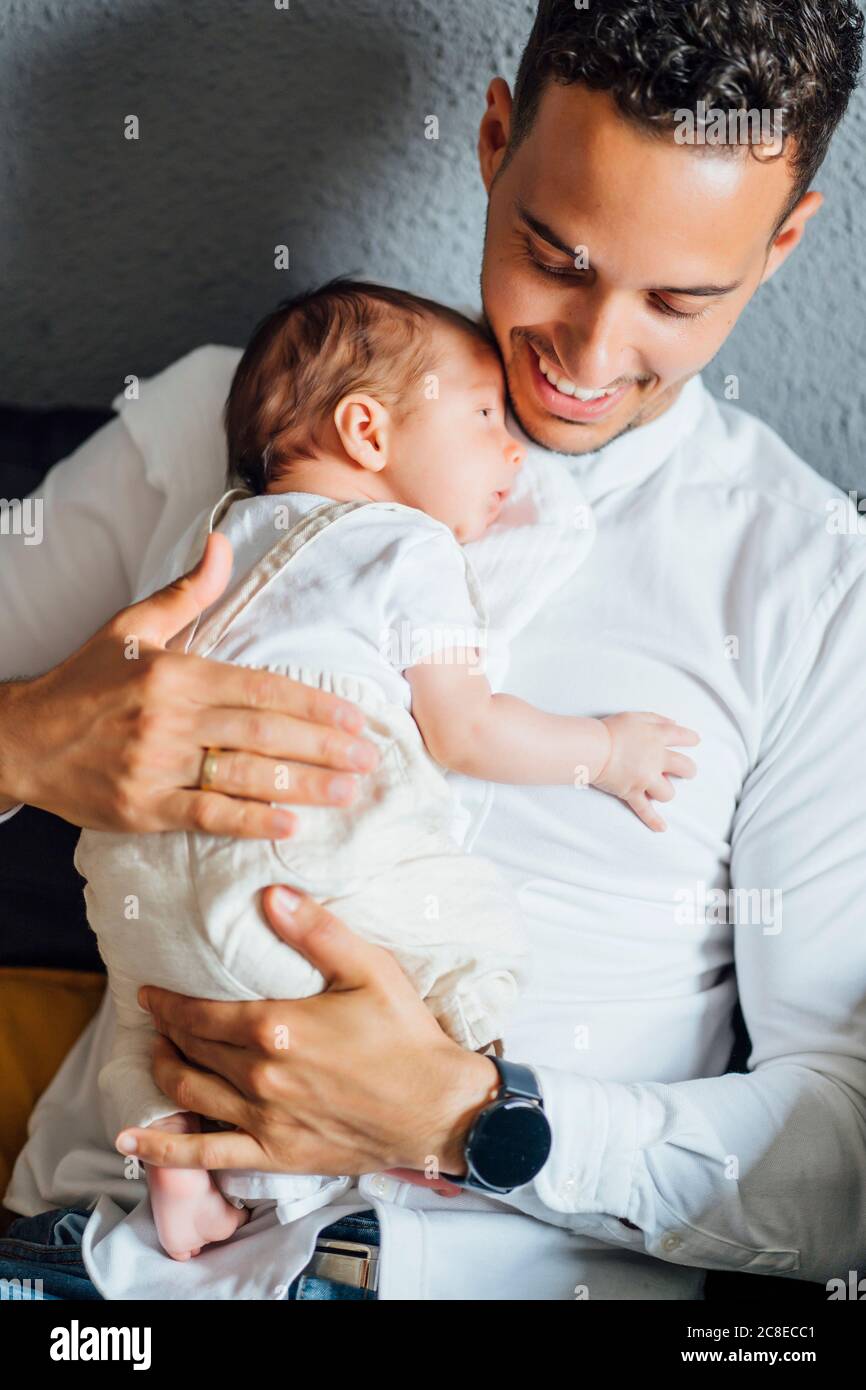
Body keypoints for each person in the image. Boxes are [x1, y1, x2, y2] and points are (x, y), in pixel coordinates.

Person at [1, 0, 865, 1300]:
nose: (584, 354)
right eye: (554, 258)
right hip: (104, 1273)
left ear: (782, 241)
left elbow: (841, 1164)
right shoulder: (212, 422)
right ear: (492, 139)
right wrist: (21, 740)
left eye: (678, 298)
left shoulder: (810, 582)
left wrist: (475, 1119)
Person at [77, 280, 697, 1266]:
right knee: (470, 940)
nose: (511, 452)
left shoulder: (216, 536)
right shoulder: (405, 544)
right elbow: (463, 728)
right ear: (367, 431)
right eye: (487, 416)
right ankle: (432, 1090)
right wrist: (605, 752)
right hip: (301, 855)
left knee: (137, 1017)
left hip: (138, 875)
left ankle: (173, 1168)